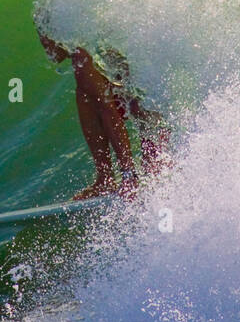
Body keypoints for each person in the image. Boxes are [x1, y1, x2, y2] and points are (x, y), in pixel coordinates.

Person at [37, 27, 172, 199]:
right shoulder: (80, 41)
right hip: (125, 90)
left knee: (157, 173)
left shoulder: (83, 56)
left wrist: (128, 174)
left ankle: (123, 178)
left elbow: (108, 110)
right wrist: (43, 25)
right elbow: (56, 56)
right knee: (84, 95)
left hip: (147, 93)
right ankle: (105, 179)